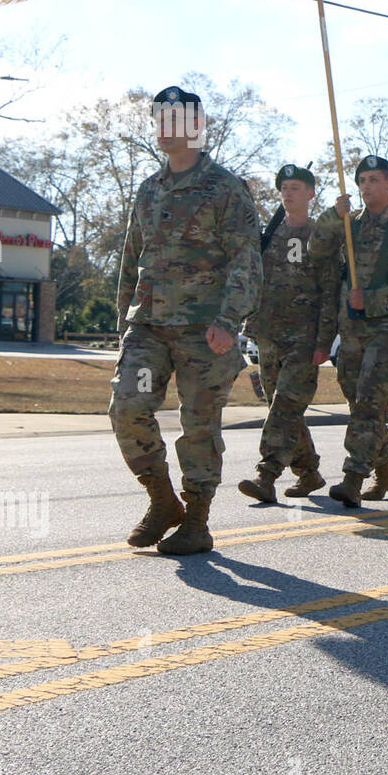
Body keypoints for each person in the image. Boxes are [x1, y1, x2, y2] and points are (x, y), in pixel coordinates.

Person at [110, 85, 261, 555]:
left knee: (198, 426)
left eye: (176, 118)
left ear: (197, 127)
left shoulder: (225, 188)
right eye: (159, 117)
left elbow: (246, 258)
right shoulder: (149, 189)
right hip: (149, 324)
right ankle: (162, 501)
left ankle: (196, 521)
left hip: (204, 329)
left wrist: (229, 319)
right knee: (127, 407)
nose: (164, 127)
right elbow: (132, 257)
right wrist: (123, 320)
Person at [311, 155, 388, 507]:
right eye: (362, 180)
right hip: (351, 328)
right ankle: (384, 469)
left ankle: (353, 477)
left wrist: (374, 301)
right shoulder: (349, 225)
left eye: (375, 179)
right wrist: (334, 216)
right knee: (357, 400)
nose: (367, 186)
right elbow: (316, 251)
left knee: (369, 400)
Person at [238, 164, 329, 504]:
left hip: (304, 338)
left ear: (311, 194)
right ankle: (309, 472)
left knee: (284, 407)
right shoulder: (269, 234)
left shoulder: (319, 237)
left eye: (296, 187)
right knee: (283, 407)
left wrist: (324, 341)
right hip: (268, 333)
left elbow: (330, 290)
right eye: (284, 188)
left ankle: (267, 473)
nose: (289, 193)